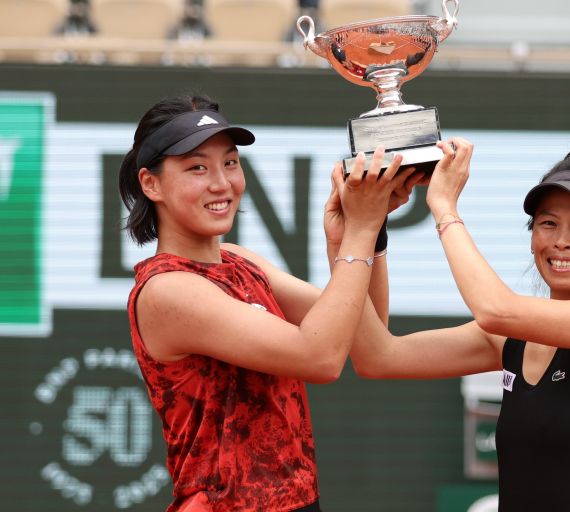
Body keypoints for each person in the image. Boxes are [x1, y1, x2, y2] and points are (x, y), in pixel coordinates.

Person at [118, 93, 421, 512]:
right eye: (197, 168)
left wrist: (368, 230)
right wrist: (359, 231)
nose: (222, 183)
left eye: (230, 162)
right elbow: (320, 358)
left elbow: (365, 334)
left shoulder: (240, 260)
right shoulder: (167, 289)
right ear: (151, 184)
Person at [347, 138, 570, 510]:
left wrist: (444, 208)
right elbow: (377, 357)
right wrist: (366, 230)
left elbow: (494, 309)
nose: (562, 241)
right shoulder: (511, 338)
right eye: (548, 224)